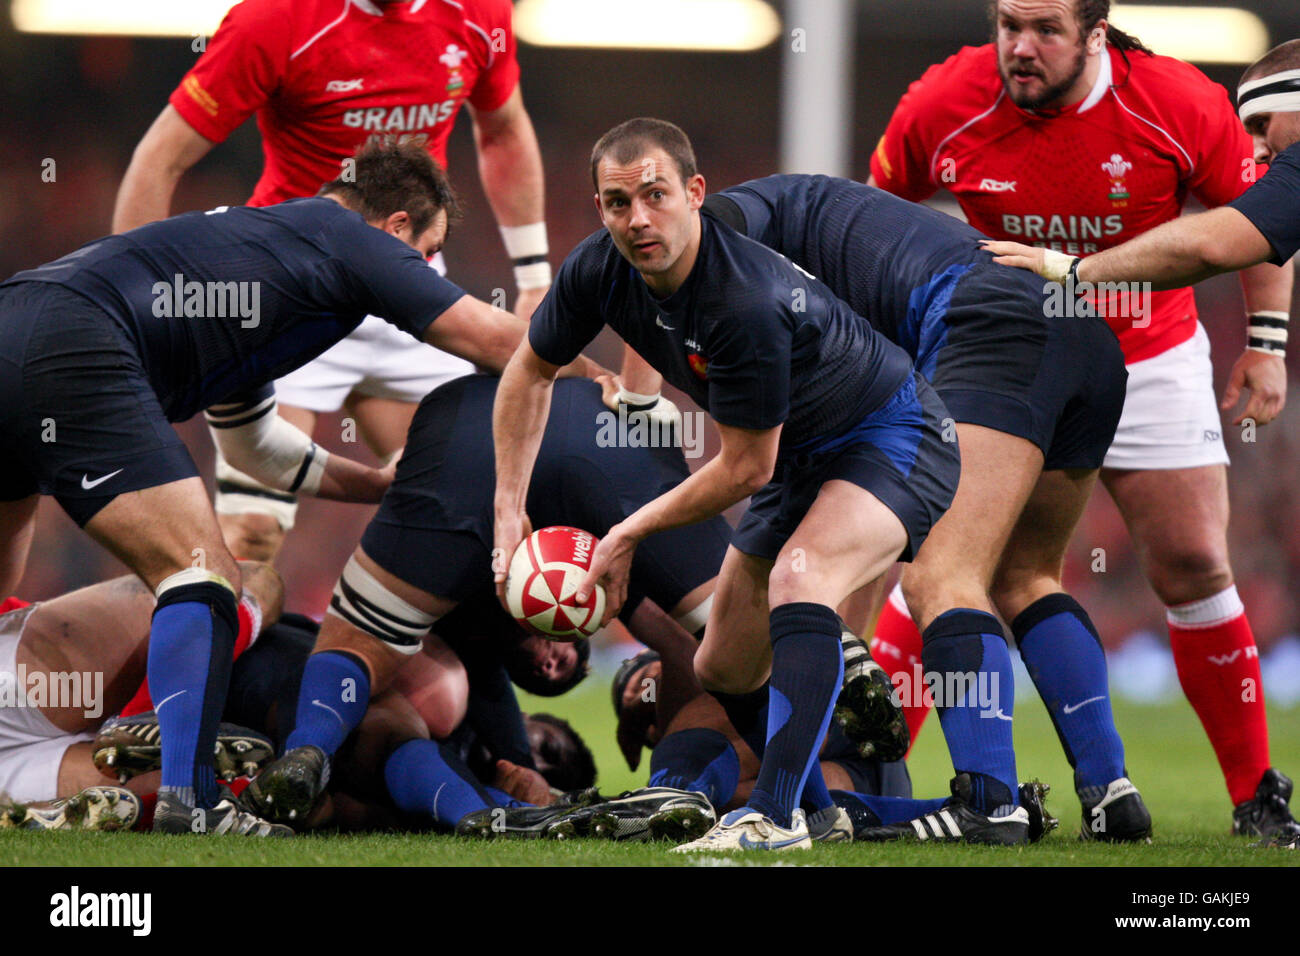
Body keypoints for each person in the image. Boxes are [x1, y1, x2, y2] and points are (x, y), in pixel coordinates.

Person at [0, 140, 596, 836]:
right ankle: (194, 803)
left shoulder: (258, 267)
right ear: (399, 227)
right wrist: (598, 384)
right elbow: (495, 340)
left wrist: (373, 483)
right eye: (426, 253)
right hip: (78, 341)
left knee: (13, 531)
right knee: (201, 575)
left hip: (20, 315)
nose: (422, 271)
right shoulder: (349, 235)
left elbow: (260, 449)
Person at [867, 0, 1296, 843]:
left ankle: (1255, 796)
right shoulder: (942, 101)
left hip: (1150, 351)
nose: (1020, 48)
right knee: (949, 563)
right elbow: (877, 214)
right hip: (1007, 360)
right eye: (1008, 25)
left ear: (1097, 33)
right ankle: (870, 774)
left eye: (1046, 30)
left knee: (1193, 562)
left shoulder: (1179, 103)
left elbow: (1251, 230)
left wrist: (1267, 344)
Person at [492, 118, 961, 852]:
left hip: (893, 437)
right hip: (801, 456)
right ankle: (815, 812)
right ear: (600, 210)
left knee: (801, 581)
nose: (639, 218)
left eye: (656, 195)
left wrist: (625, 533)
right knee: (722, 662)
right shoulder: (596, 272)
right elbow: (527, 370)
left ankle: (772, 820)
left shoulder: (742, 301)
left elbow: (747, 469)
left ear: (696, 194)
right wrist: (506, 508)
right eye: (619, 203)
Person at [703, 172, 1144, 841]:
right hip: (1082, 332)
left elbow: (854, 480)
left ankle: (990, 802)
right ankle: (1110, 791)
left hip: (992, 321)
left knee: (942, 575)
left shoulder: (742, 252)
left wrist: (840, 640)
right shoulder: (822, 233)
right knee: (1026, 577)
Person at [114, 0, 551, 563]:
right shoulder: (272, 20)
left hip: (408, 291)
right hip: (286, 294)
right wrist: (141, 316)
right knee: (252, 532)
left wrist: (535, 274)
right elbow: (160, 158)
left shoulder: (477, 13)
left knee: (465, 510)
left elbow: (503, 127)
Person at [243, 372, 729, 827]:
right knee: (744, 657)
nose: (549, 664)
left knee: (355, 651)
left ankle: (291, 753)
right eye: (565, 656)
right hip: (594, 442)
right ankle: (724, 787)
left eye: (547, 677)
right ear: (592, 621)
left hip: (470, 429)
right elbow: (686, 650)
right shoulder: (604, 574)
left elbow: (513, 342)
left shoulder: (470, 662)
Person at [0, 562, 283, 833]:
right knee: (238, 581)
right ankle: (147, 721)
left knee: (253, 787)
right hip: (30, 681)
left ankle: (145, 729)